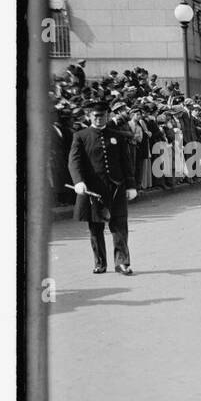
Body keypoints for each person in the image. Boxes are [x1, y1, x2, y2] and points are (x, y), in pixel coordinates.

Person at [68, 100, 139, 274]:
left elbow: (126, 163)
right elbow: (74, 161)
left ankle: (122, 262)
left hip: (116, 188)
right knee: (95, 228)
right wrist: (78, 181)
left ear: (108, 116)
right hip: (93, 191)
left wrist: (131, 185)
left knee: (120, 226)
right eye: (96, 116)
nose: (99, 119)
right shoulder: (81, 136)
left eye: (103, 116)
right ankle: (100, 262)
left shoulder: (118, 135)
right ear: (89, 116)